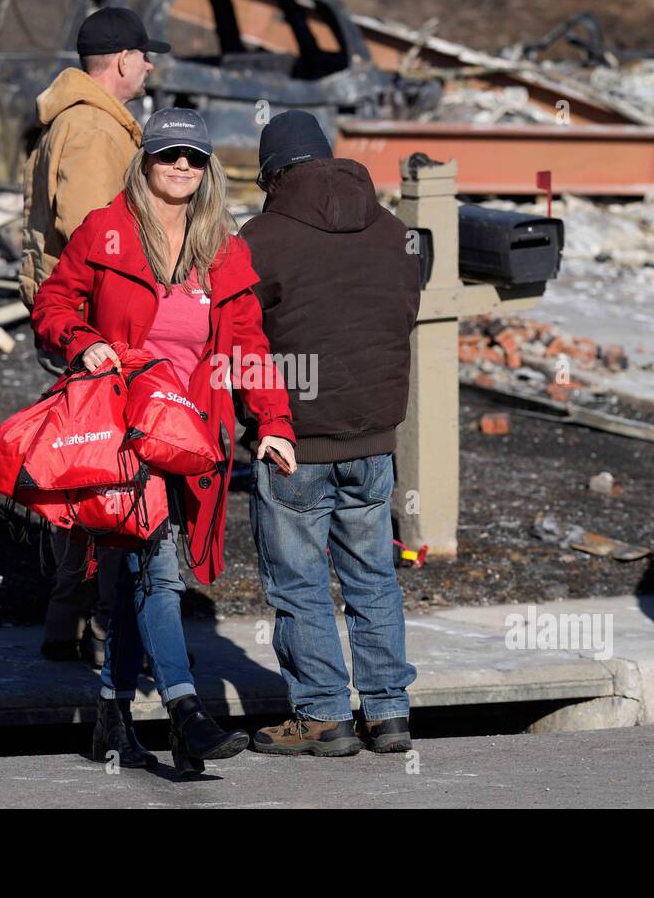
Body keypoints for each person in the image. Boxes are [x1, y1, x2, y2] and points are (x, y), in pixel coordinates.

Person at [32, 107, 298, 775]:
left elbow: (249, 347)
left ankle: (112, 719)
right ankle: (186, 712)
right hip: (122, 433)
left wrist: (274, 423)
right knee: (159, 568)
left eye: (194, 158)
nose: (181, 166)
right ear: (143, 161)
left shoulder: (223, 249)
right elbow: (53, 306)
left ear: (208, 170)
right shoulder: (107, 231)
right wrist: (84, 341)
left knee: (131, 575)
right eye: (167, 155)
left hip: (191, 439)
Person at [239, 110, 421, 756]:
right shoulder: (394, 231)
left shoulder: (260, 237)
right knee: (373, 574)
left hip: (294, 440)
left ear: (271, 175)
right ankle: (388, 712)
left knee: (300, 580)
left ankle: (322, 716)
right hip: (374, 438)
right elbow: (406, 311)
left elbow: (239, 333)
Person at [19, 7, 168, 666]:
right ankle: (102, 626)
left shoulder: (84, 122)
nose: (152, 66)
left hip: (84, 327)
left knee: (85, 464)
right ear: (121, 60)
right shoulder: (94, 130)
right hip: (95, 331)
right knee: (101, 472)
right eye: (146, 55)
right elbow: (93, 240)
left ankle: (72, 623)